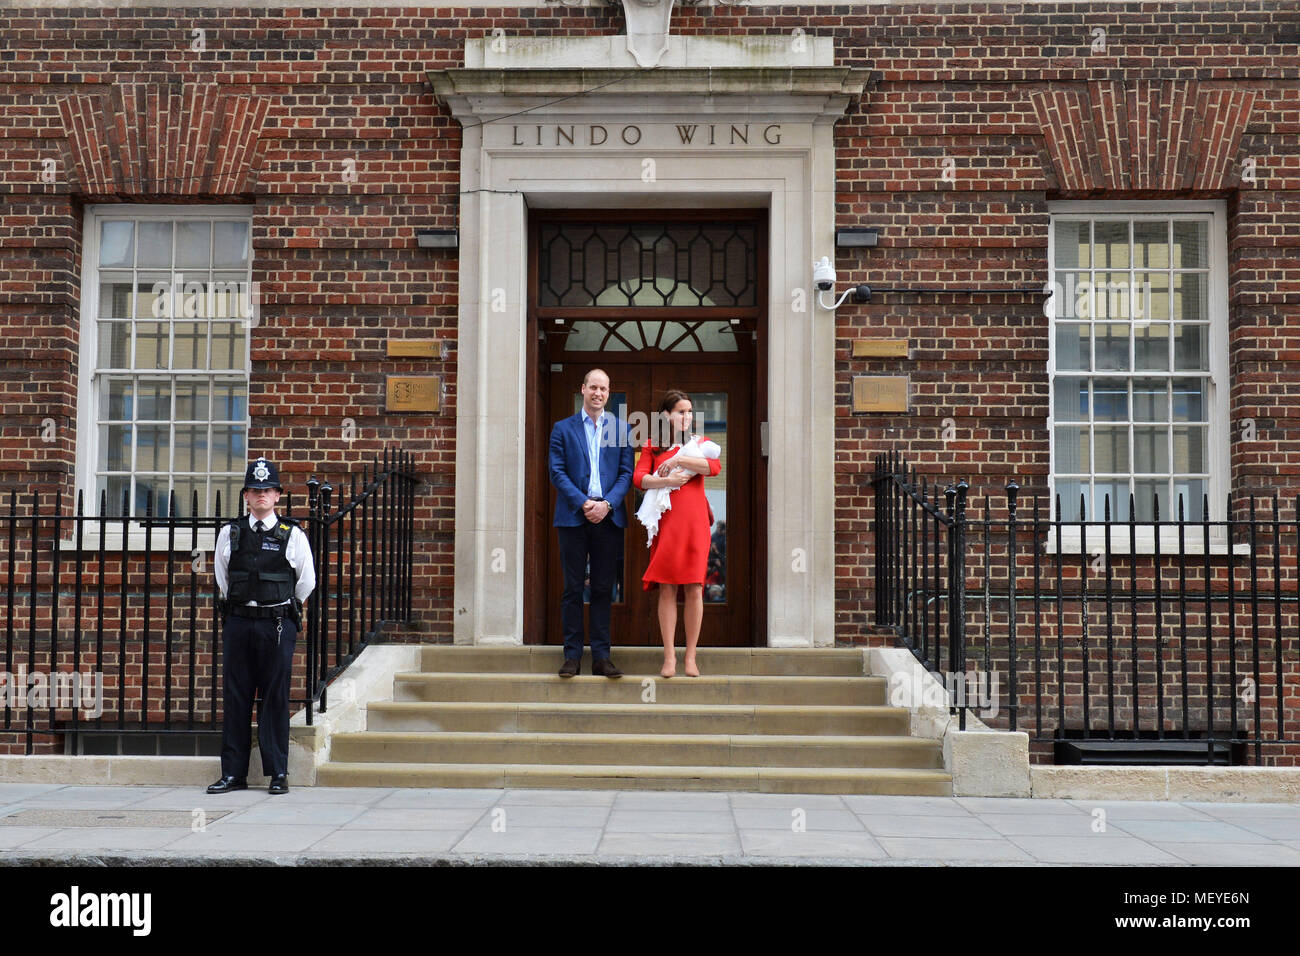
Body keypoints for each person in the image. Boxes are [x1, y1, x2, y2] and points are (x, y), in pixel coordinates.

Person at [207, 457, 315, 795]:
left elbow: (306, 582)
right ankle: (233, 773)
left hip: (276, 623)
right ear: (246, 496)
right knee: (236, 697)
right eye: (255, 490)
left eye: (267, 490)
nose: (261, 496)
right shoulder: (231, 532)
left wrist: (278, 606)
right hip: (239, 621)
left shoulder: (292, 535)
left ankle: (278, 772)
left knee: (275, 698)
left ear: (278, 495)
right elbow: (222, 578)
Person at [548, 368, 635, 678]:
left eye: (604, 389)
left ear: (608, 393)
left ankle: (601, 657)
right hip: (573, 517)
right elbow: (557, 472)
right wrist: (583, 502)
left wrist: (607, 504)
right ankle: (572, 656)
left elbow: (627, 474)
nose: (598, 393)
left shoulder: (622, 429)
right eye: (593, 387)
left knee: (601, 588)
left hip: (608, 519)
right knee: (572, 588)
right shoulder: (562, 429)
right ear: (582, 389)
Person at [633, 390, 721, 678]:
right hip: (667, 524)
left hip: (695, 524)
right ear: (666, 416)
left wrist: (679, 461)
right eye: (680, 411)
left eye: (690, 411)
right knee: (668, 587)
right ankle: (669, 657)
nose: (687, 417)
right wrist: (667, 479)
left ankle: (691, 657)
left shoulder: (700, 444)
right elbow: (639, 478)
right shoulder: (652, 446)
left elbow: (713, 467)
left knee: (695, 587)